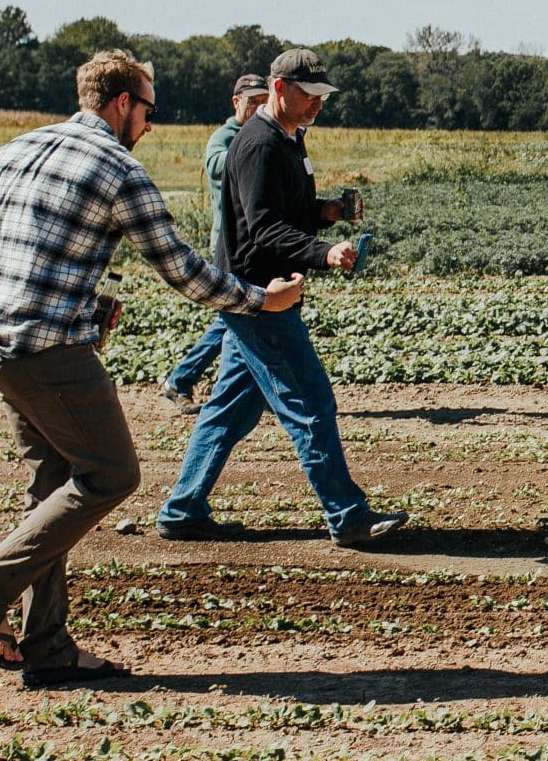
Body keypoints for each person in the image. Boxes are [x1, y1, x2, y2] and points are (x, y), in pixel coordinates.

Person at [0, 50, 305, 687]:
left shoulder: (15, 149)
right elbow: (183, 270)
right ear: (120, 104)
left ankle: (48, 648)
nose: (149, 124)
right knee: (111, 474)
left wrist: (84, 299)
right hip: (50, 349)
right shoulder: (119, 170)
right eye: (148, 110)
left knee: (52, 485)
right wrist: (260, 300)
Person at [155, 47, 409, 548]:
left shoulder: (290, 139)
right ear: (278, 89)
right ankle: (348, 516)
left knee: (230, 409)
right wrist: (322, 254)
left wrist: (328, 212)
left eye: (322, 96)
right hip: (261, 297)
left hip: (265, 293)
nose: (317, 105)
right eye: (309, 95)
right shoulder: (258, 147)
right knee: (309, 399)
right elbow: (264, 228)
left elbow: (285, 210)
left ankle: (182, 511)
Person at [159, 71, 271, 413]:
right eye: (252, 102)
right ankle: (182, 378)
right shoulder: (225, 137)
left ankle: (246, 387)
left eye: (263, 102)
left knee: (249, 315)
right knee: (236, 314)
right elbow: (217, 165)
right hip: (230, 246)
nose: (258, 108)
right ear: (236, 102)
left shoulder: (265, 134)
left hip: (254, 244)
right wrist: (255, 146)